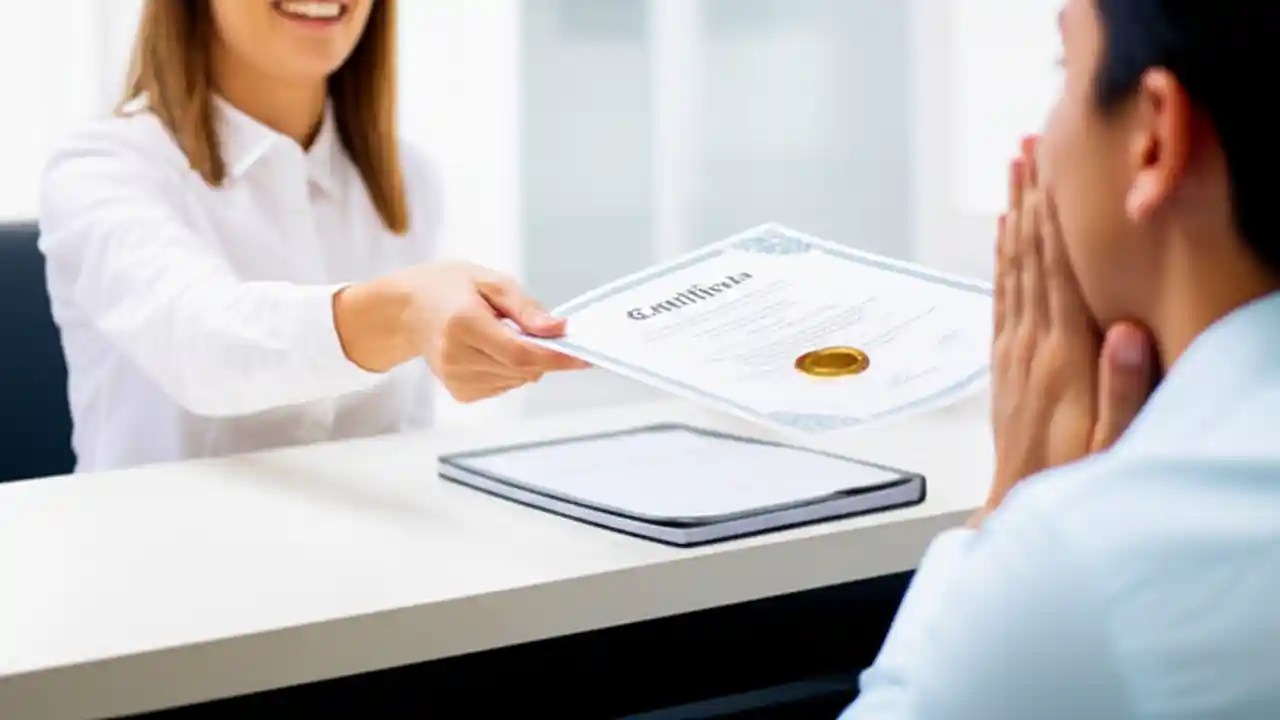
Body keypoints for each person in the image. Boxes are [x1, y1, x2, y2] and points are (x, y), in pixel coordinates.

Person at [842, 0, 1280, 717]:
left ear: (1153, 138)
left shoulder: (1081, 566)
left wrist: (1011, 507)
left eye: (1063, 68)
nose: (1040, 145)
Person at [38, 0, 586, 473]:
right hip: (168, 571)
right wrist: (402, 314)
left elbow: (405, 440)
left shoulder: (406, 179)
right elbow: (205, 349)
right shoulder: (101, 168)